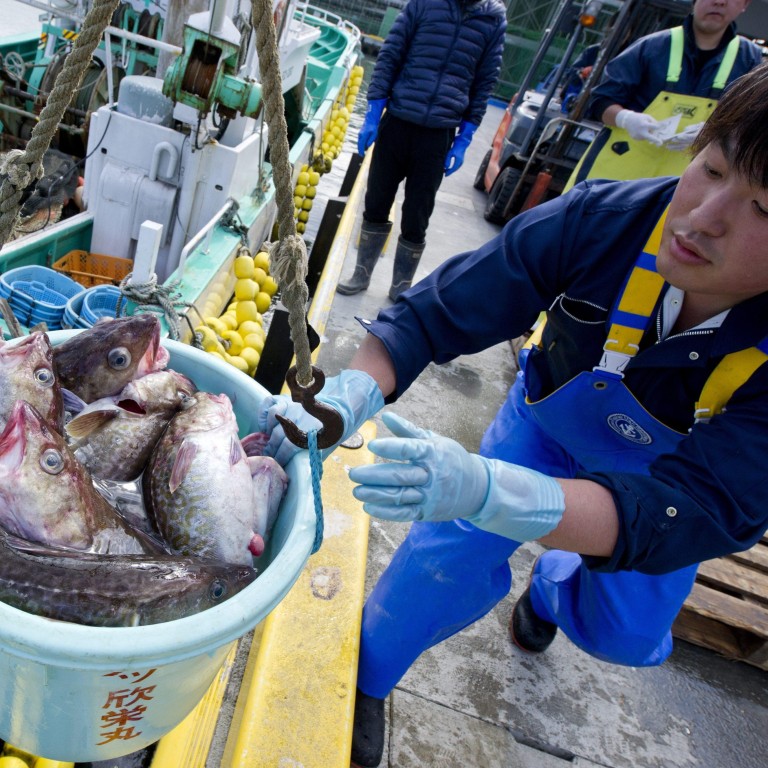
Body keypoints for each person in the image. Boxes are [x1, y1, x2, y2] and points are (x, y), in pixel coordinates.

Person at [258, 62, 768, 768]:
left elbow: (710, 505)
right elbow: (444, 307)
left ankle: (555, 590)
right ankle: (367, 682)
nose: (703, 219)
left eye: (763, 210)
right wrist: (355, 391)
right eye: (711, 169)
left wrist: (503, 495)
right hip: (547, 426)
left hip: (659, 483)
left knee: (623, 632)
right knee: (449, 548)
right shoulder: (605, 222)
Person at [336, 0, 506, 302]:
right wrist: (373, 114)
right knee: (376, 200)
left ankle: (401, 285)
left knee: (418, 213)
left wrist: (465, 137)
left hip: (438, 133)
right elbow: (391, 55)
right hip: (398, 121)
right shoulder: (424, 4)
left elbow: (484, 82)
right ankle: (361, 273)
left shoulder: (492, 21)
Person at [565, 0, 761, 189]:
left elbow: (751, 126)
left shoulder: (750, 61)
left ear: (745, 4)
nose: (719, 1)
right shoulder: (650, 47)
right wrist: (626, 119)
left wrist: (712, 135)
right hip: (608, 183)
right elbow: (599, 101)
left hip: (677, 194)